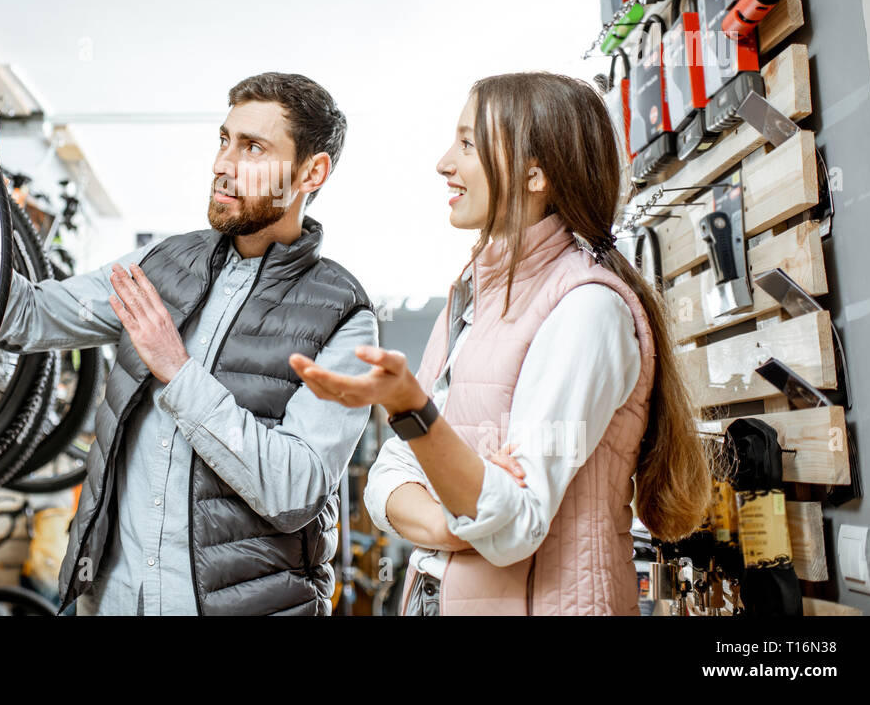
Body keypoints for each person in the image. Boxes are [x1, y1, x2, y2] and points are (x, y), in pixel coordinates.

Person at [0, 72, 378, 615]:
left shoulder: (345, 315)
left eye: (253, 147)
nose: (222, 164)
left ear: (312, 172)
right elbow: (20, 318)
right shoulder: (159, 266)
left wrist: (179, 371)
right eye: (224, 140)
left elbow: (294, 492)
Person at [292, 71, 712, 615]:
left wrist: (412, 412)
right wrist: (458, 519)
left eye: (467, 143)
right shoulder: (473, 297)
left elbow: (513, 525)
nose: (444, 163)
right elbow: (387, 482)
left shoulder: (586, 310)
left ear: (535, 174)